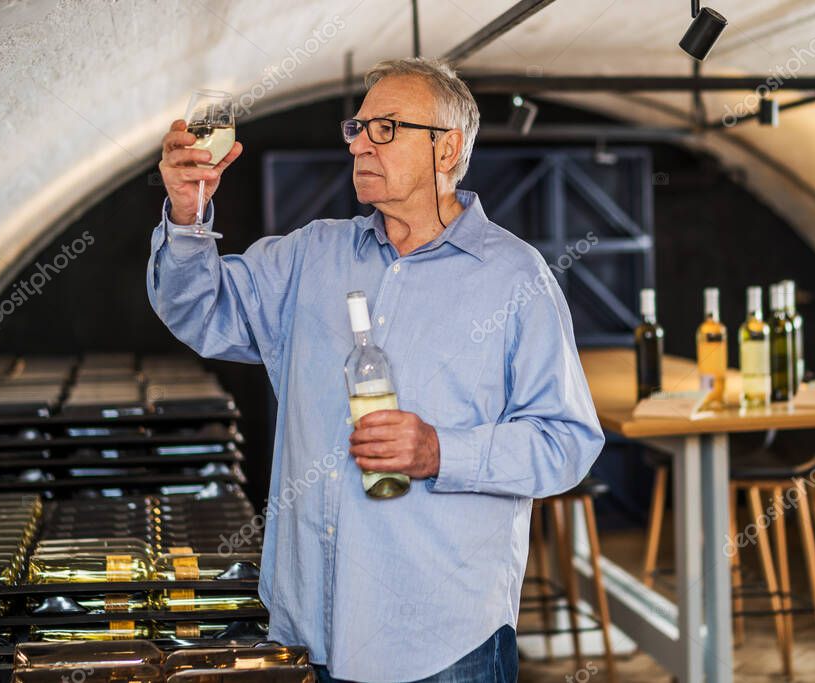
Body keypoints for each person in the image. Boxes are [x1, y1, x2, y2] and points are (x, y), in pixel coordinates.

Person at [147, 56, 604, 683]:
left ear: (447, 150)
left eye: (385, 127)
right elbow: (200, 310)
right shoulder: (312, 255)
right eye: (356, 128)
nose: (360, 142)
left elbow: (567, 442)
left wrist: (440, 450)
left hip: (443, 643)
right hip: (309, 629)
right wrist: (187, 215)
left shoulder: (515, 278)